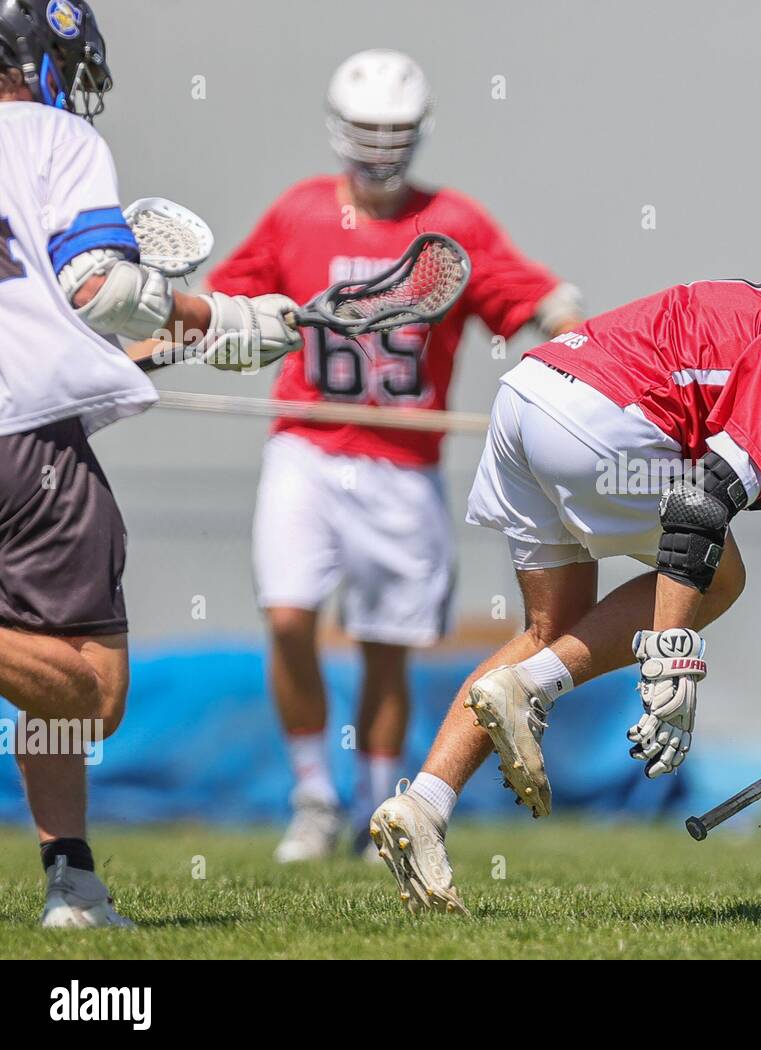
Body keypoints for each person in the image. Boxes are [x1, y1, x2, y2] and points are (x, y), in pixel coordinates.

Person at [369, 263, 761, 915]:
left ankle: (424, 803)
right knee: (723, 575)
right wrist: (671, 658)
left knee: (548, 633)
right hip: (599, 416)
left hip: (533, 399)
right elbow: (700, 505)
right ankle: (534, 686)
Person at [207, 49, 584, 863]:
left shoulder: (456, 223)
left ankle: (380, 806)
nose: (380, 149)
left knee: (385, 645)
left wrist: (573, 322)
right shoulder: (298, 213)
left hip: (403, 463)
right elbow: (225, 301)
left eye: (395, 132)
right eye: (368, 131)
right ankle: (313, 795)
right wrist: (213, 322)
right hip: (306, 447)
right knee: (287, 615)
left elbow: (536, 300)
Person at [0, 0, 300, 926]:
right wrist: (221, 317)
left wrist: (199, 342)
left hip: (31, 421)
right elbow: (99, 288)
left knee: (39, 672)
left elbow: (56, 322)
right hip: (25, 441)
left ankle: (73, 885)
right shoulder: (51, 136)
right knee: (89, 687)